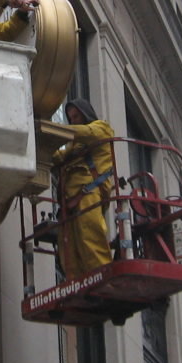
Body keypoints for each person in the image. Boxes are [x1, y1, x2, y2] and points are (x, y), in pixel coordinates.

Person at [52, 98, 115, 278]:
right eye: (70, 118)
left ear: (86, 114)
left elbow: (86, 132)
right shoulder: (74, 145)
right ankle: (76, 283)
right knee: (68, 249)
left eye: (76, 116)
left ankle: (104, 277)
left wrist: (54, 130)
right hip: (69, 202)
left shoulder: (101, 128)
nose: (73, 121)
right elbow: (59, 157)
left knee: (90, 236)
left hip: (89, 192)